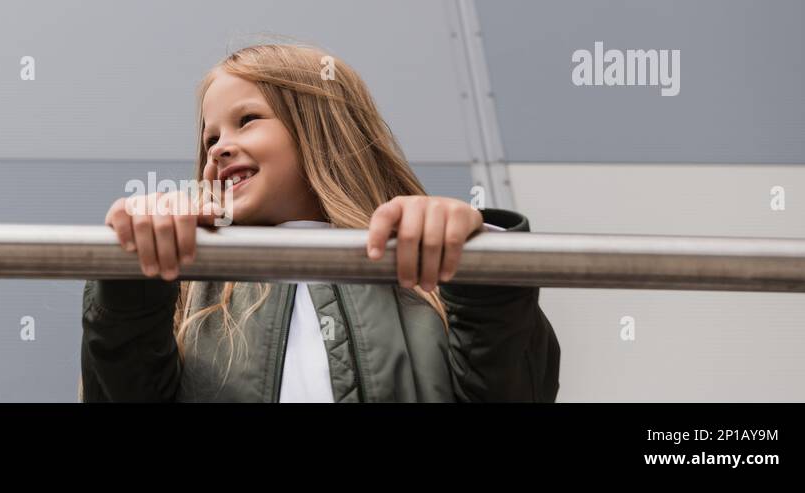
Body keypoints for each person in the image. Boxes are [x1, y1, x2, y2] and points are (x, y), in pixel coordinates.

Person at [81, 44, 560, 402]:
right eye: (210, 139)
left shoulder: (421, 281)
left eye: (247, 120)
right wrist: (136, 272)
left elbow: (513, 387)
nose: (218, 148)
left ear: (322, 130)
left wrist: (474, 260)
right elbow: (123, 385)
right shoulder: (192, 297)